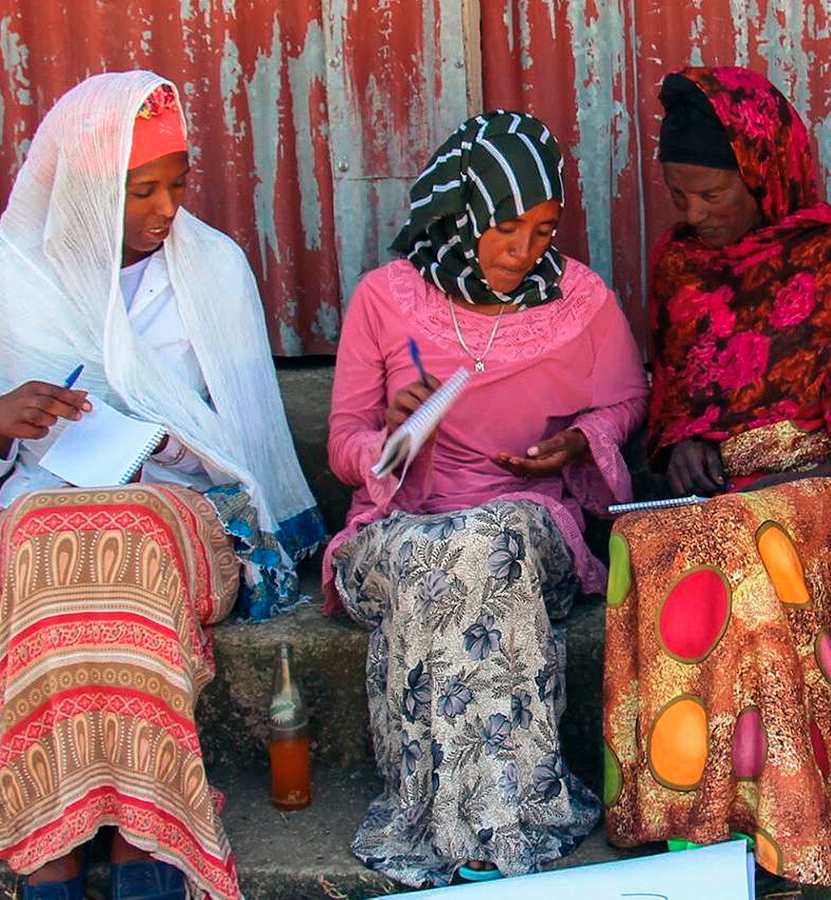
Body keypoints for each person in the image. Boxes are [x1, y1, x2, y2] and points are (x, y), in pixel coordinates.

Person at [0, 71, 323, 900]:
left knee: (128, 535)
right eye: (140, 190)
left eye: (177, 184)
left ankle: (141, 832)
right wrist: (1, 425)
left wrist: (170, 444)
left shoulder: (210, 268)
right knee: (57, 542)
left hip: (180, 515)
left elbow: (247, 441)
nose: (166, 208)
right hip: (43, 513)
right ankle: (60, 832)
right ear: (82, 189)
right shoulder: (11, 278)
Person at [599, 66, 831, 888]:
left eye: (712, 196)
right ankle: (689, 809)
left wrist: (811, 469)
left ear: (765, 175)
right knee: (646, 536)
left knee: (741, 539)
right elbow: (678, 397)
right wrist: (684, 441)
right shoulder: (680, 266)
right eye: (678, 194)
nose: (693, 215)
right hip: (732, 492)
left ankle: (790, 815)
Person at [325, 110, 646, 887]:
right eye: (503, 230)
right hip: (399, 528)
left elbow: (628, 402)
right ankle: (483, 809)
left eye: (542, 231)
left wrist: (577, 443)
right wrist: (388, 441)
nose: (522, 252)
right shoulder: (385, 300)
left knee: (484, 539)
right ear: (459, 216)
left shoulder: (581, 301)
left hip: (525, 524)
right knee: (452, 550)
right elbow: (342, 443)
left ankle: (486, 812)